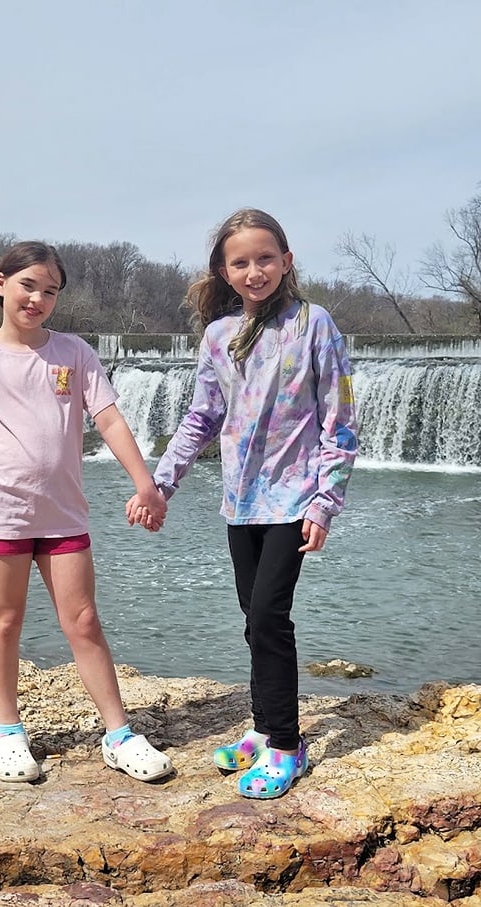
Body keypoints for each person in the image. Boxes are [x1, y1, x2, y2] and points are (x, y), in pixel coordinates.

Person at [0, 240, 172, 784]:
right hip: (3, 513)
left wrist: (146, 485)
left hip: (65, 514)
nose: (37, 299)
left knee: (85, 621)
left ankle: (118, 735)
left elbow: (110, 420)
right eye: (28, 286)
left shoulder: (74, 353)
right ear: (2, 283)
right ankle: (8, 730)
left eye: (50, 291)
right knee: (6, 621)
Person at [127, 209, 357, 799]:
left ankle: (285, 744)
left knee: (270, 619)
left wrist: (324, 502)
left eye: (265, 258)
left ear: (286, 261)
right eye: (241, 262)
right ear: (224, 272)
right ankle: (261, 725)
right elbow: (202, 417)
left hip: (295, 499)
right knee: (253, 622)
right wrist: (162, 484)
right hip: (240, 502)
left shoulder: (314, 324)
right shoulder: (218, 336)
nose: (254, 271)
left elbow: (339, 420)